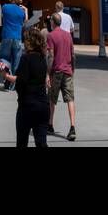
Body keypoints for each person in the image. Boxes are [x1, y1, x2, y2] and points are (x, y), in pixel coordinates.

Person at [2, 27, 51, 147]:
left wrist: (5, 75)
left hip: (27, 106)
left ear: (30, 41)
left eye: (26, 40)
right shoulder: (42, 58)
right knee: (41, 142)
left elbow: (21, 81)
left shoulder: (26, 58)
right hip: (43, 106)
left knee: (22, 142)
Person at [46, 12, 76, 140]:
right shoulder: (68, 36)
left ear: (53, 22)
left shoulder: (51, 36)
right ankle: (72, 127)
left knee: (52, 99)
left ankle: (50, 124)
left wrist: (47, 73)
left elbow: (51, 56)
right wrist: (72, 69)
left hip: (56, 71)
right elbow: (73, 54)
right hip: (68, 71)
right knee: (70, 99)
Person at [0, 0, 28, 90]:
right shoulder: (21, 11)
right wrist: (26, 10)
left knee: (4, 58)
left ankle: (6, 79)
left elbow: (1, 16)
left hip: (6, 36)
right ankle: (14, 84)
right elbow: (25, 23)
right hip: (17, 38)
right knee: (16, 61)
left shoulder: (5, 7)